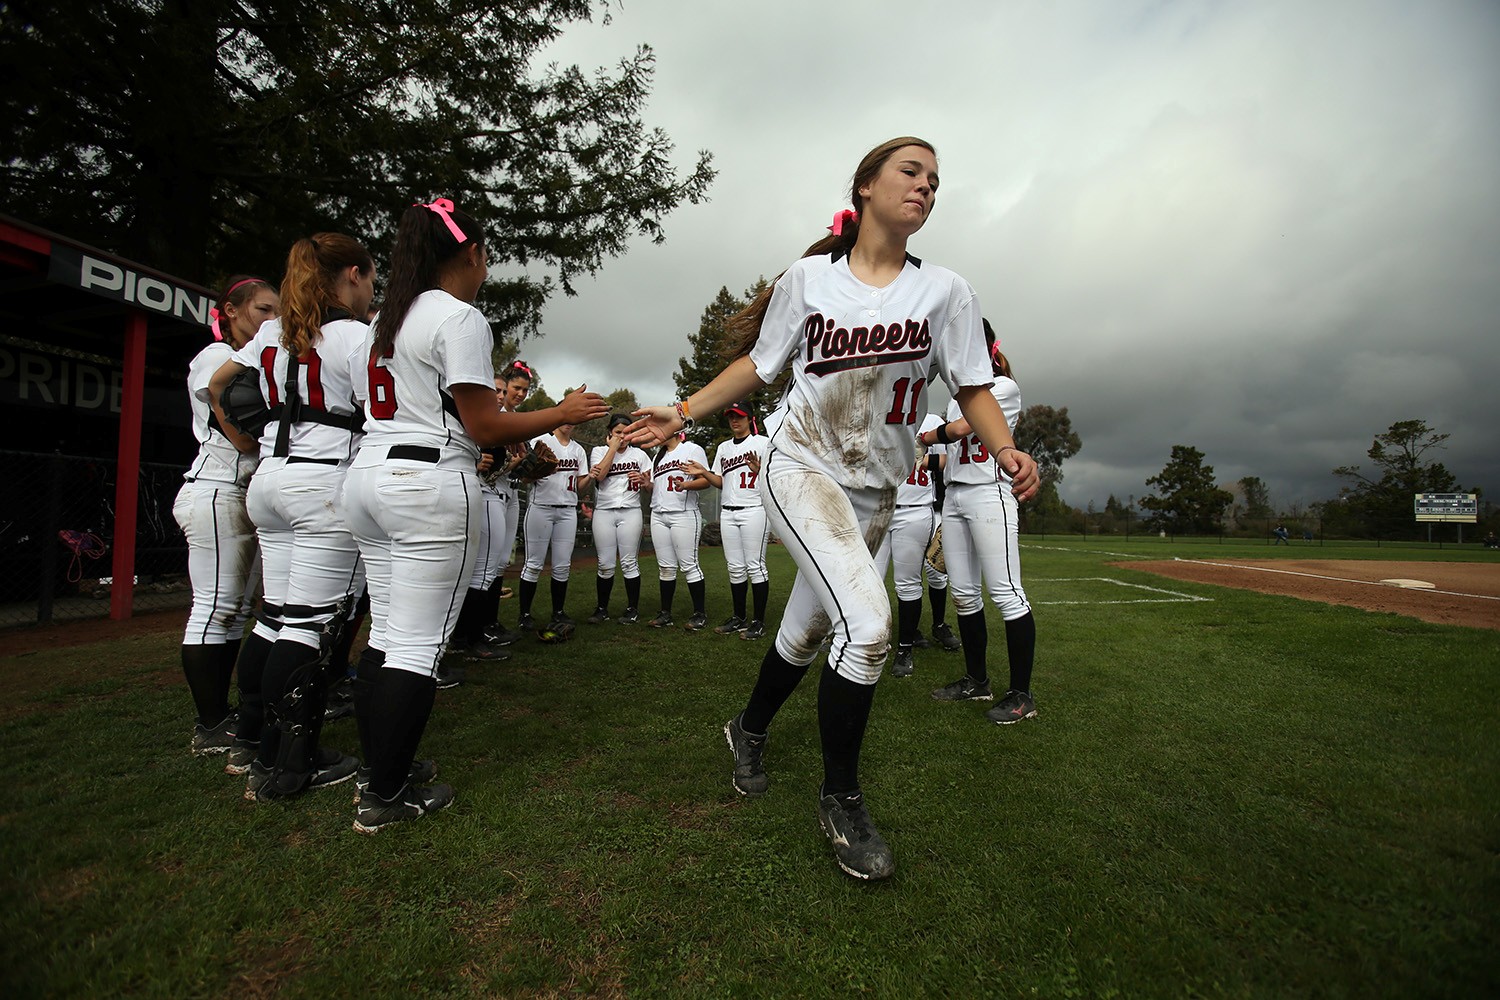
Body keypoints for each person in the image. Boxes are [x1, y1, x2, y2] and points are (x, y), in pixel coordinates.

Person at [627, 137, 1038, 880]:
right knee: (871, 626)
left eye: (935, 181)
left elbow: (973, 384)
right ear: (868, 186)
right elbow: (760, 363)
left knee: (808, 629)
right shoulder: (811, 277)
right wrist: (683, 412)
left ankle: (747, 729)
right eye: (911, 173)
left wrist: (1005, 448)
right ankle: (841, 799)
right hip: (802, 464)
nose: (926, 188)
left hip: (878, 488)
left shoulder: (947, 290)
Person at [342, 197, 605, 833]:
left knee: (384, 635)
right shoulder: (458, 317)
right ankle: (384, 795)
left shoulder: (384, 321)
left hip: (368, 474)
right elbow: (485, 426)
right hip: (428, 478)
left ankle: (383, 766)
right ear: (472, 253)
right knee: (415, 642)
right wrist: (561, 413)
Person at [208, 234, 375, 800]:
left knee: (273, 617)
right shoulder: (356, 334)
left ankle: (251, 738)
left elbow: (219, 386)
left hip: (270, 477)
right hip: (322, 479)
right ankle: (290, 762)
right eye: (370, 278)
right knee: (306, 626)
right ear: (352, 275)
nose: (372, 289)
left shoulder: (273, 331)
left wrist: (248, 436)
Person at [174, 275, 277, 757]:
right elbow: (229, 418)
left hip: (240, 492)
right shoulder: (217, 356)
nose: (271, 319)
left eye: (276, 311)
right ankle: (210, 723)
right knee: (215, 607)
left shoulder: (255, 357)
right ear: (231, 311)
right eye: (262, 310)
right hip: (216, 488)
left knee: (233, 611)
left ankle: (223, 714)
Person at [922, 324, 1039, 725]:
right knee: (965, 595)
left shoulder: (1002, 388)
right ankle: (977, 680)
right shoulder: (958, 395)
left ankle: (1022, 695)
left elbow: (960, 430)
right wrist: (927, 458)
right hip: (955, 494)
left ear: (986, 347)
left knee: (1007, 594)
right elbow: (953, 455)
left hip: (990, 494)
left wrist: (923, 437)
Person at [681, 402, 772, 639]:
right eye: (731, 416)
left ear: (749, 418)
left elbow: (775, 477)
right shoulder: (723, 448)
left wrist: (759, 470)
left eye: (739, 416)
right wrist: (703, 472)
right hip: (728, 512)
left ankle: (758, 622)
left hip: (755, 509)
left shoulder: (763, 443)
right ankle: (739, 617)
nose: (734, 421)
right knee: (735, 567)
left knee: (755, 566)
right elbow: (720, 481)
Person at [874, 411, 947, 678]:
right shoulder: (879, 411)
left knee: (907, 583)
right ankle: (873, 638)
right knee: (871, 578)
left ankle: (905, 649)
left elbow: (949, 463)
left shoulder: (933, 423)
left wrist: (925, 461)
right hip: (879, 507)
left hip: (915, 509)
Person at [515, 419, 589, 630]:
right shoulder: (541, 440)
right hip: (541, 507)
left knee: (562, 565)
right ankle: (525, 614)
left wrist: (590, 477)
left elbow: (580, 486)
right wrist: (532, 472)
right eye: (565, 419)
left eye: (572, 420)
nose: (569, 423)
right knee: (533, 564)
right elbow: (524, 477)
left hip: (567, 510)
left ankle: (558, 612)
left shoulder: (578, 450)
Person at [584, 414, 652, 624]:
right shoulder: (599, 451)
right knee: (605, 563)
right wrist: (612, 448)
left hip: (630, 511)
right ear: (610, 433)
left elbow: (650, 487)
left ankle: (632, 609)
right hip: (604, 511)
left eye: (626, 432)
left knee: (629, 562)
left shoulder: (640, 455)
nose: (622, 436)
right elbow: (600, 476)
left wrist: (644, 481)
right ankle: (602, 609)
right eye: (618, 432)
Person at [646, 431, 712, 629]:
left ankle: (699, 614)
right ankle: (665, 613)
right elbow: (656, 487)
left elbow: (706, 480)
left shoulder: (691, 449)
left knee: (689, 565)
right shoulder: (657, 457)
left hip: (683, 513)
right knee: (666, 567)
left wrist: (686, 484)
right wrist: (646, 484)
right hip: (658, 514)